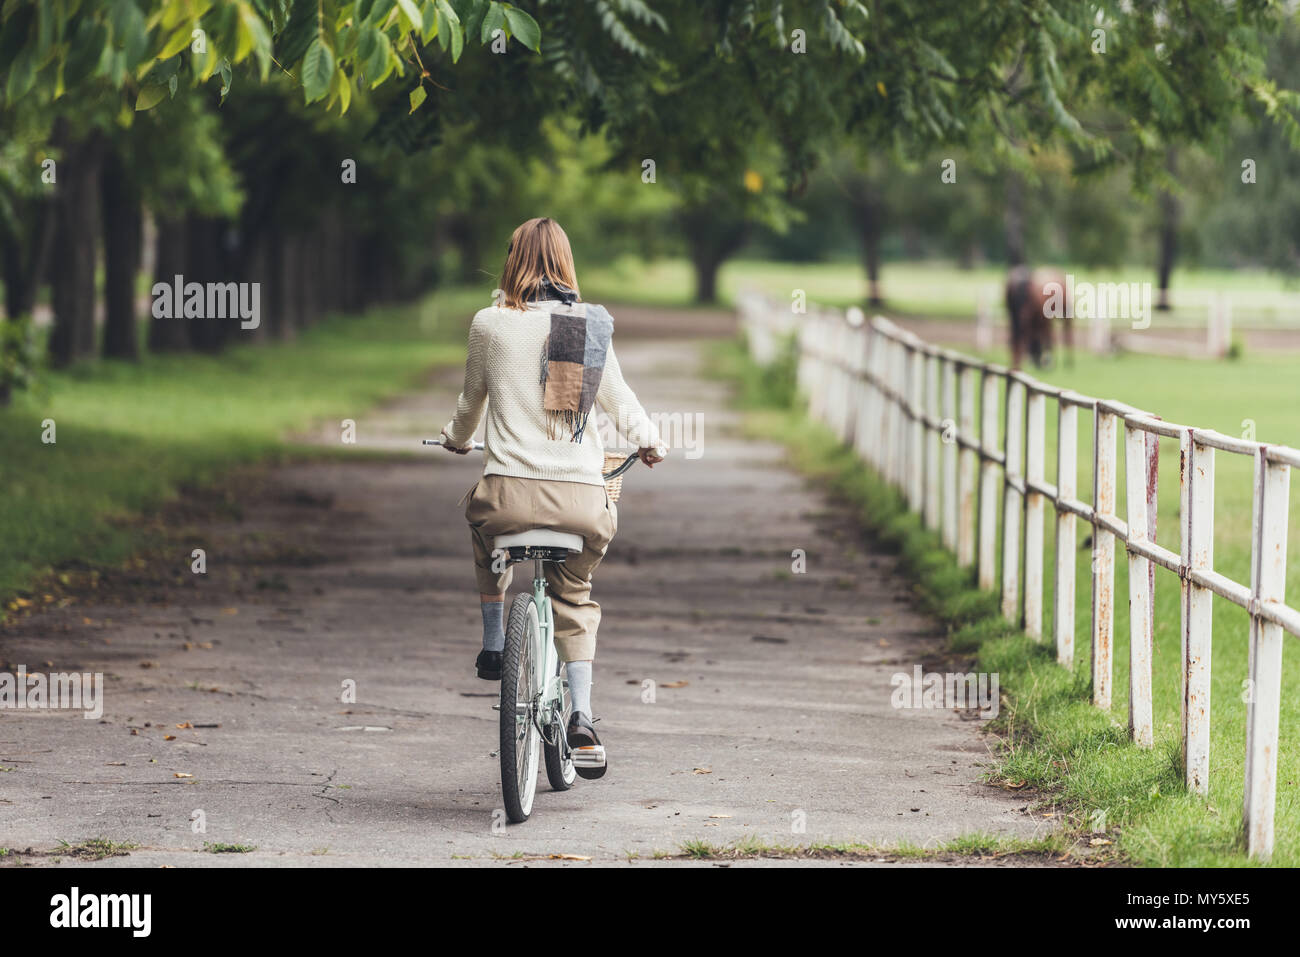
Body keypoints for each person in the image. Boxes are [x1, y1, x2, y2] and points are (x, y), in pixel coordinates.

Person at [439, 217, 666, 779]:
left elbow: (470, 405)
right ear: (566, 263)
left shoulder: (489, 324)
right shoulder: (586, 326)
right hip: (580, 504)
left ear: (512, 260)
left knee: (479, 520)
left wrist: (457, 439)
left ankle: (495, 642)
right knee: (574, 593)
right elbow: (620, 402)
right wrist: (650, 440)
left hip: (508, 499)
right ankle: (583, 716)